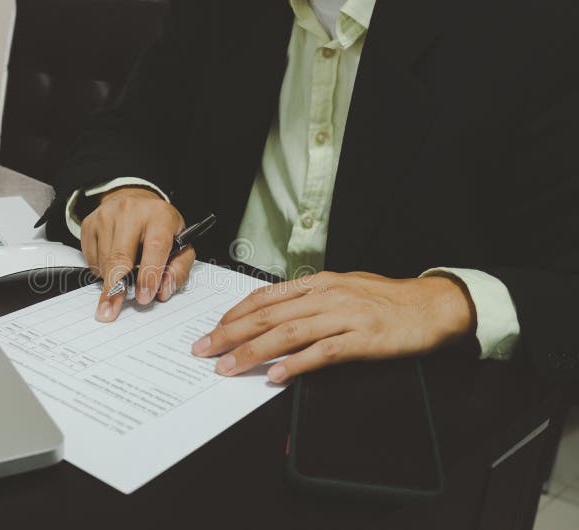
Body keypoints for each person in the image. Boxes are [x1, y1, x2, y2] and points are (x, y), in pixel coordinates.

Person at [40, 0, 579, 384]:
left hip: (398, 401)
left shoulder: (538, 25)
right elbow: (128, 129)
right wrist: (126, 192)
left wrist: (443, 302)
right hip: (191, 341)